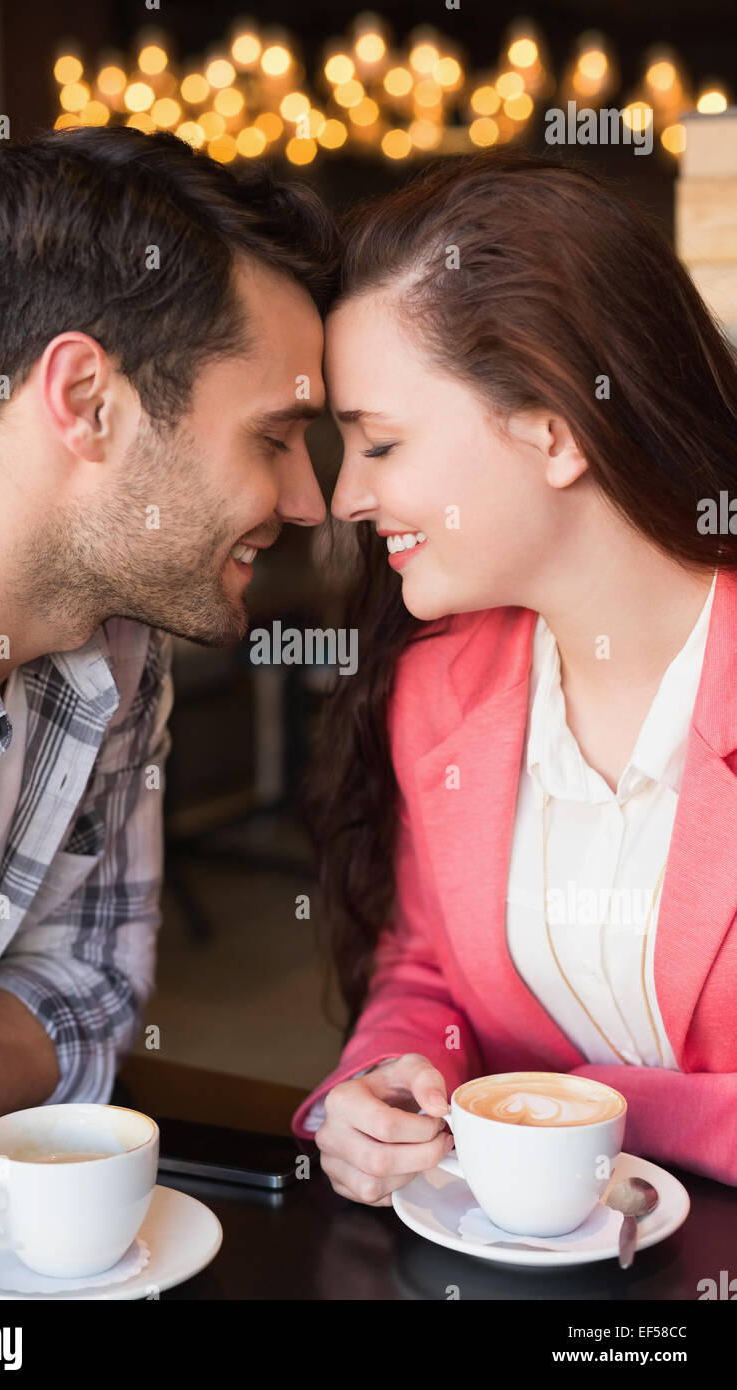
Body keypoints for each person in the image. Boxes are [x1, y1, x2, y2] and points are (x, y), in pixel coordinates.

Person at [0, 125, 336, 1152]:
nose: (310, 500)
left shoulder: (116, 642)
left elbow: (86, 988)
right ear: (86, 402)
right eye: (273, 437)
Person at [291, 151, 737, 1201]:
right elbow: (425, 970)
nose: (342, 496)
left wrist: (586, 1106)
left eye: (380, 443)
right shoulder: (438, 690)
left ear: (552, 430)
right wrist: (393, 1078)